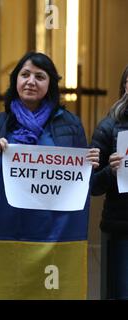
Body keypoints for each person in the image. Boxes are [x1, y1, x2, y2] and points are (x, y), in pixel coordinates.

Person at [0, 51, 99, 169]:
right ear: (16, 80)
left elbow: (83, 182)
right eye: (25, 75)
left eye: (39, 77)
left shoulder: (71, 124)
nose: (31, 82)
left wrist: (89, 167)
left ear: (50, 85)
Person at [90, 65, 128, 300]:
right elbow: (92, 186)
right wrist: (110, 172)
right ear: (125, 86)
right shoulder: (108, 127)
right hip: (122, 229)